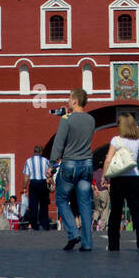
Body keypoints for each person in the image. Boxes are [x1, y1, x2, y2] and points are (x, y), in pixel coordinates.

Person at [50, 90, 95, 251]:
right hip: (87, 164)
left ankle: (73, 233)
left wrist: (51, 164)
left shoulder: (66, 119)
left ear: (75, 101)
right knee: (85, 203)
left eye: (69, 98)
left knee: (61, 199)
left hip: (70, 164)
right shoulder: (91, 120)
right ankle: (87, 243)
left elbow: (59, 143)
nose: (68, 101)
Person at [103, 112, 139, 253]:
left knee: (116, 213)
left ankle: (113, 245)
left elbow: (108, 159)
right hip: (134, 178)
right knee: (138, 212)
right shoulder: (138, 142)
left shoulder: (116, 140)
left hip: (118, 179)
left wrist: (105, 176)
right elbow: (137, 159)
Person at [23, 146, 51, 230]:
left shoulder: (28, 161)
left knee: (33, 205)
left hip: (33, 183)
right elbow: (48, 174)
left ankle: (34, 224)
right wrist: (52, 184)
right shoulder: (45, 160)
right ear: (41, 152)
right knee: (44, 204)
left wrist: (24, 186)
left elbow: (26, 176)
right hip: (43, 182)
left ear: (34, 151)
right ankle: (44, 224)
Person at [92, 167, 110, 234]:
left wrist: (95, 189)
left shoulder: (94, 171)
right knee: (105, 209)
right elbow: (109, 184)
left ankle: (95, 219)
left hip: (96, 192)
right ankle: (102, 226)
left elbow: (92, 181)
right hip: (104, 191)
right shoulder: (106, 171)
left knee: (97, 209)